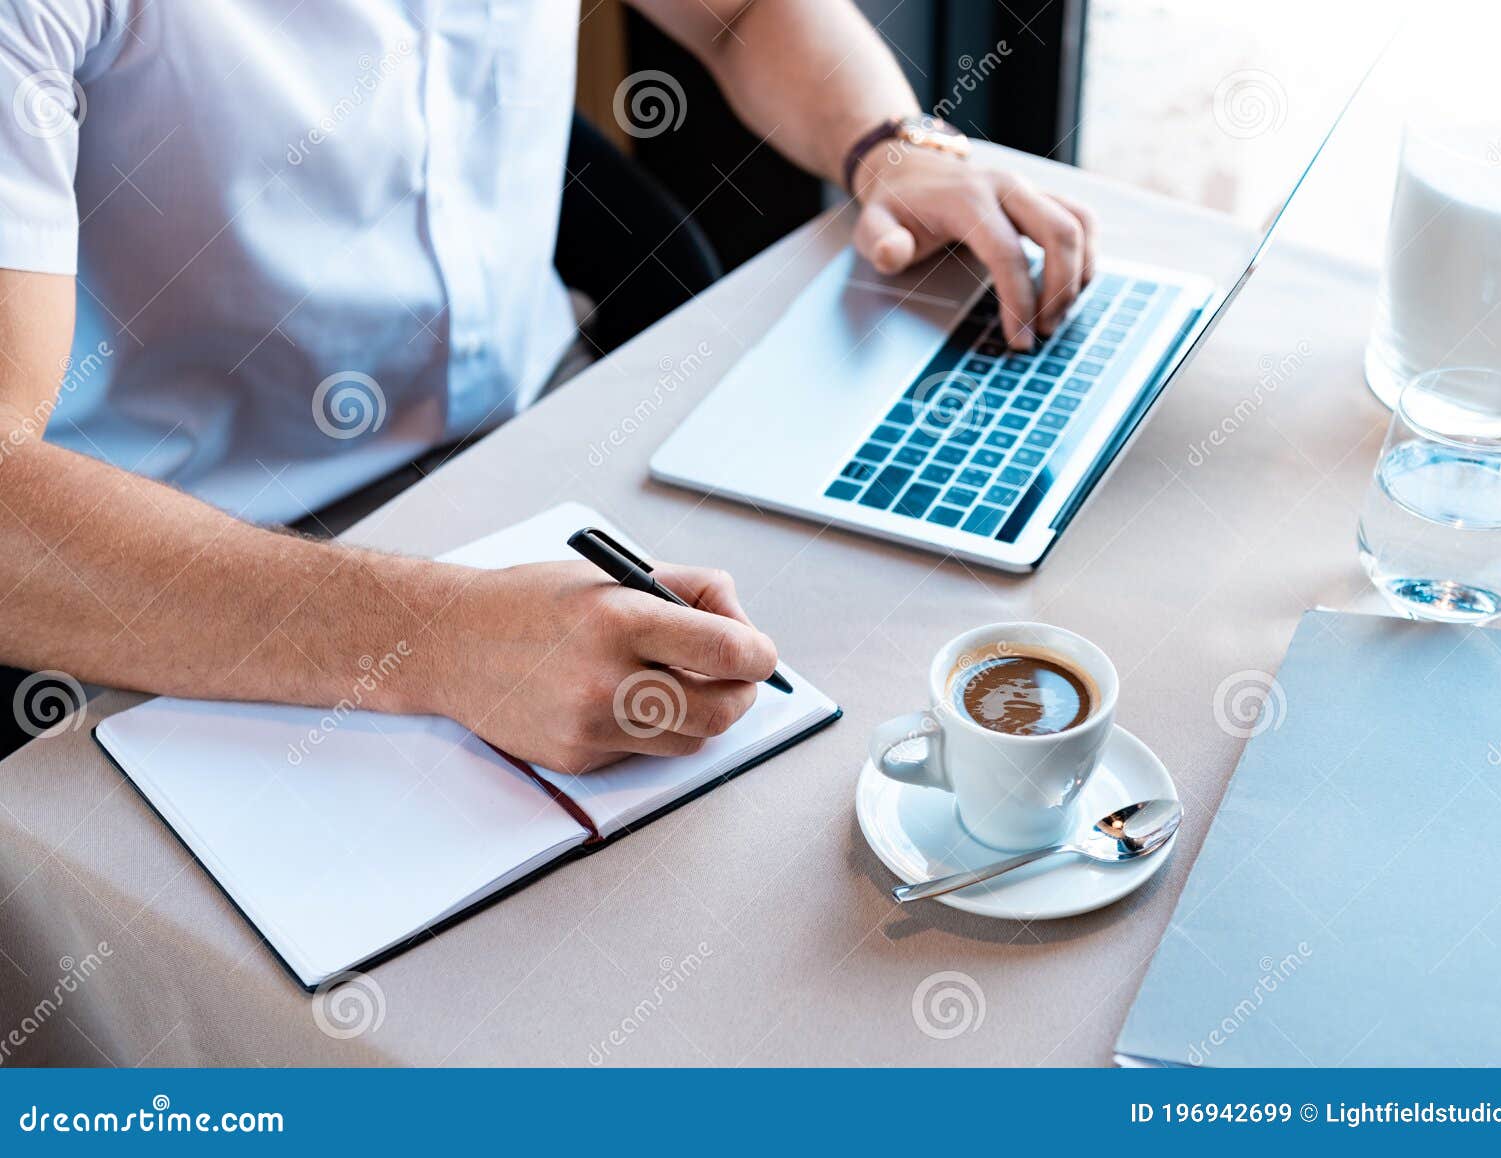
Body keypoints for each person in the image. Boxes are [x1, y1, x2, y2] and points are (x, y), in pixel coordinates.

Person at [0, 0, 1097, 769]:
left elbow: (745, 7)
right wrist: (435, 642)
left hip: (541, 445)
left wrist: (891, 144)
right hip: (178, 586)